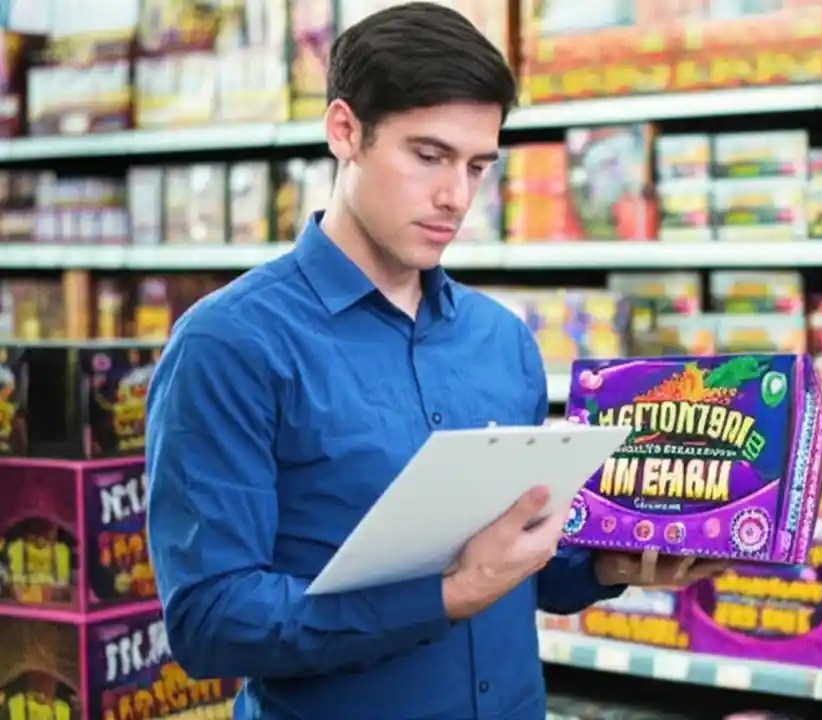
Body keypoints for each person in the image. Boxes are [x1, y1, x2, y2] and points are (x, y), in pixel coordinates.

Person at [143, 4, 726, 719]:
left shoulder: (500, 341)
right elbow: (211, 622)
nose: (456, 196)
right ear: (345, 131)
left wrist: (609, 564)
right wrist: (445, 597)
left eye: (478, 165)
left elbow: (516, 566)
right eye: (429, 155)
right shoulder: (230, 345)